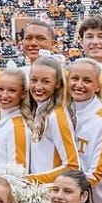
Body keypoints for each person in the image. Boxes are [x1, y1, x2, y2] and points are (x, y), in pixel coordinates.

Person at [66, 57, 102, 203]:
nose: (79, 85)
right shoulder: (62, 113)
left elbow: (97, 174)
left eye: (87, 80)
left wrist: (61, 188)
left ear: (97, 86)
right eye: (74, 78)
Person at [27, 56, 79, 184]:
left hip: (49, 193)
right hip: (38, 192)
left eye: (45, 82)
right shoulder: (38, 110)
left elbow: (72, 165)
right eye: (34, 80)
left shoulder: (57, 115)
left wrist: (32, 180)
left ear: (57, 84)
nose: (38, 87)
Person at [0, 68, 32, 174]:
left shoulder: (17, 127)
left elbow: (18, 174)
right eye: (0, 89)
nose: (4, 95)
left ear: (23, 94)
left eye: (12, 90)